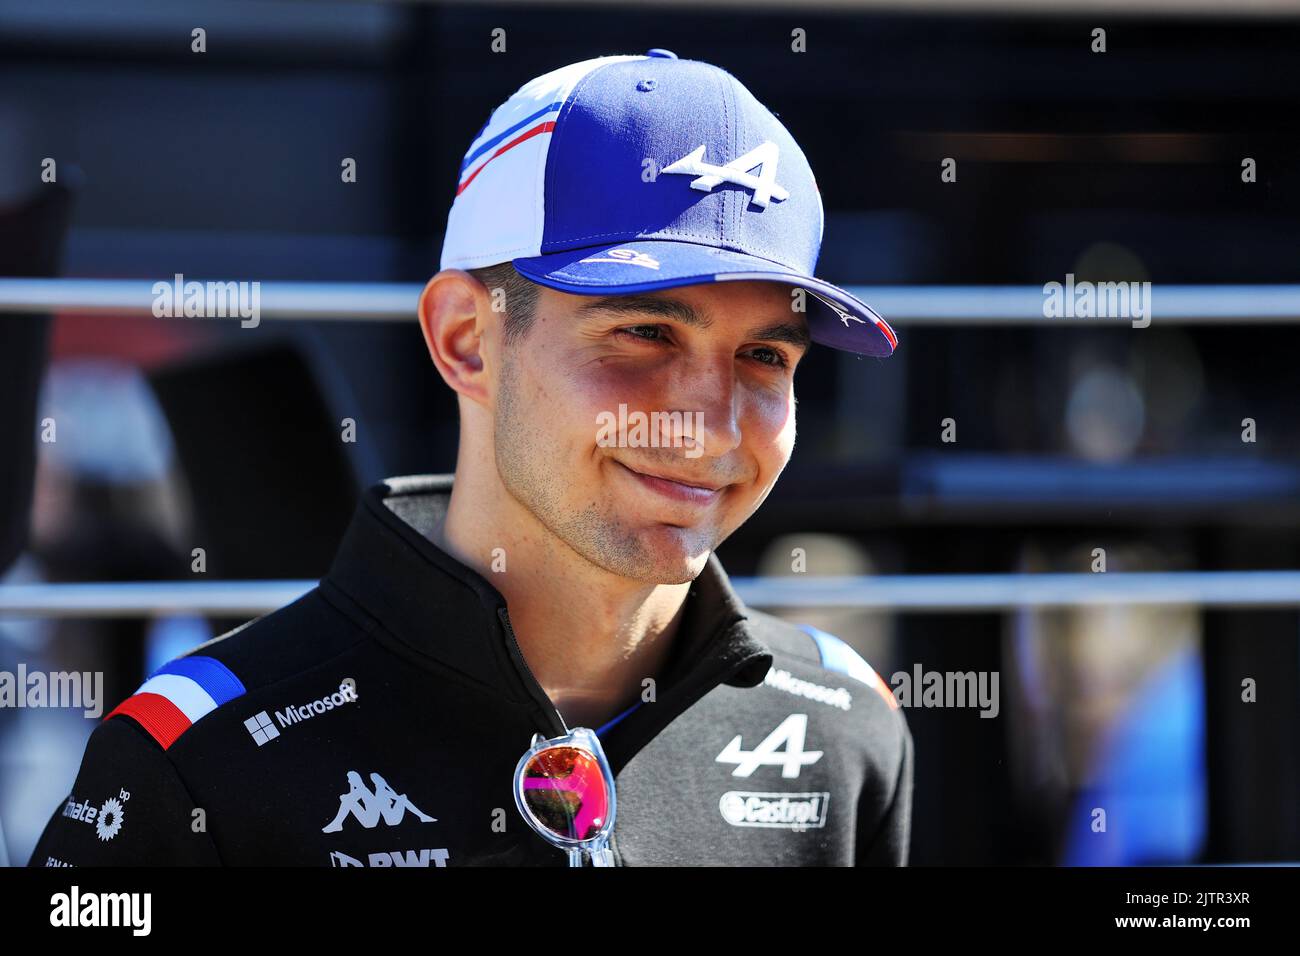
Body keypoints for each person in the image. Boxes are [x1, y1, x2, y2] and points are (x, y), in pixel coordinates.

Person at [28, 49, 910, 867]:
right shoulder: (198, 761)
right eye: (642, 332)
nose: (712, 428)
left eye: (766, 356)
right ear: (466, 340)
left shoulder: (844, 732)